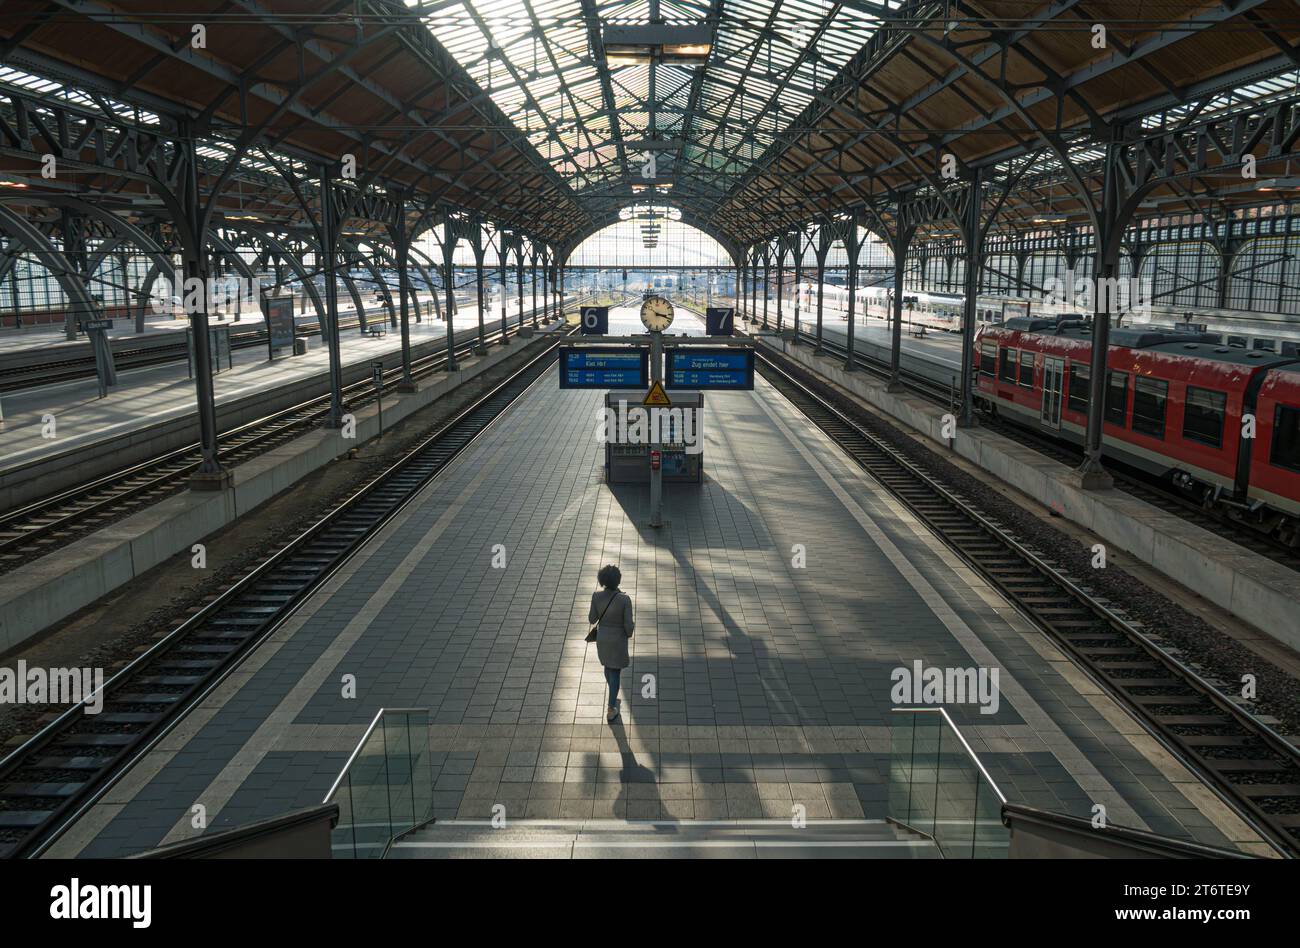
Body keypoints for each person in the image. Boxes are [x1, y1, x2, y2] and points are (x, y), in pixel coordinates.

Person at [589, 564, 634, 723]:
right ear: (618, 580)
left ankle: (613, 695)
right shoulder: (624, 599)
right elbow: (628, 625)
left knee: (608, 667)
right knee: (615, 671)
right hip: (617, 640)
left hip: (602, 639)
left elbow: (592, 619)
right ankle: (610, 708)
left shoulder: (596, 596)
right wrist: (629, 633)